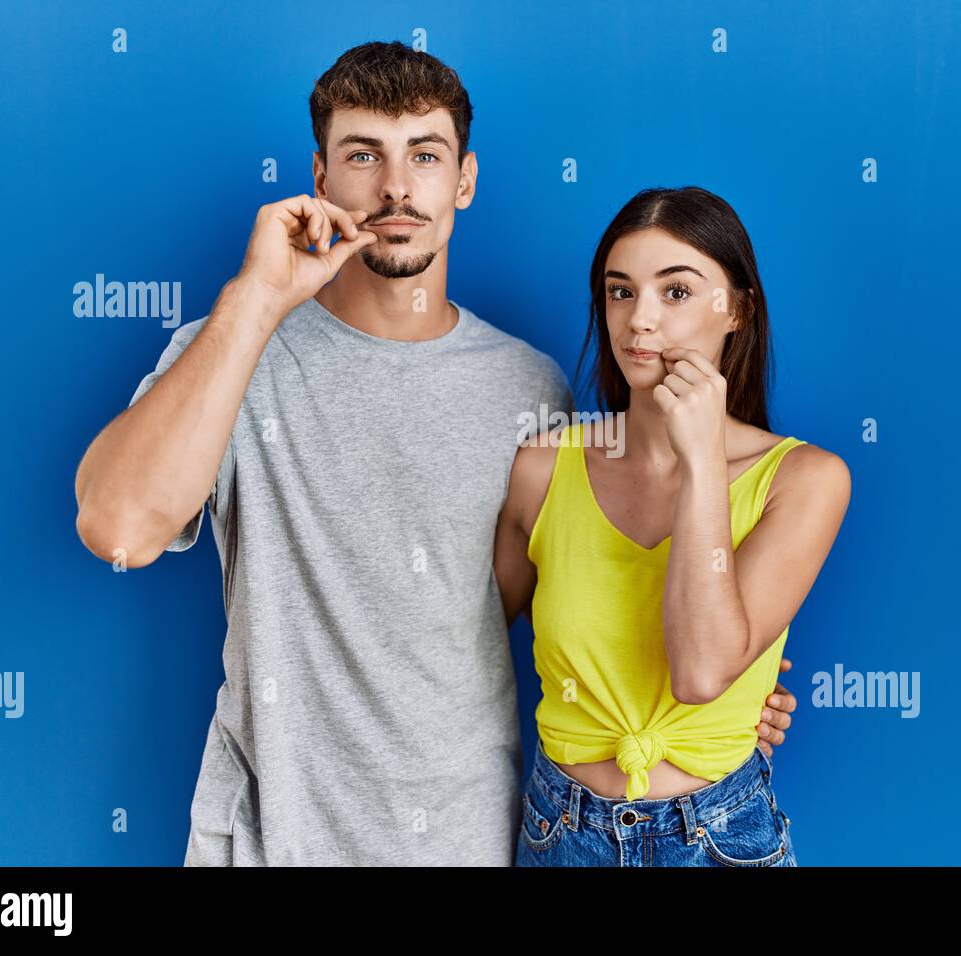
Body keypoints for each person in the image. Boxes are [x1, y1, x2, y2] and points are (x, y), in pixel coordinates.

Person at [72, 43, 795, 866]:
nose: (395, 188)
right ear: (319, 176)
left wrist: (737, 685)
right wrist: (254, 300)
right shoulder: (230, 350)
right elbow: (117, 528)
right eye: (362, 155)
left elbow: (584, 605)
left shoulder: (532, 389)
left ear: (464, 181)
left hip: (469, 839)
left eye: (424, 155)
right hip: (269, 840)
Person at [494, 186, 850, 866]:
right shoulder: (545, 466)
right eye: (620, 291)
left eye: (677, 292)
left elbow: (700, 671)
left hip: (718, 837)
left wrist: (700, 462)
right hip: (559, 832)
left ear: (737, 309)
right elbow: (460, 656)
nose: (639, 321)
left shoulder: (807, 481)